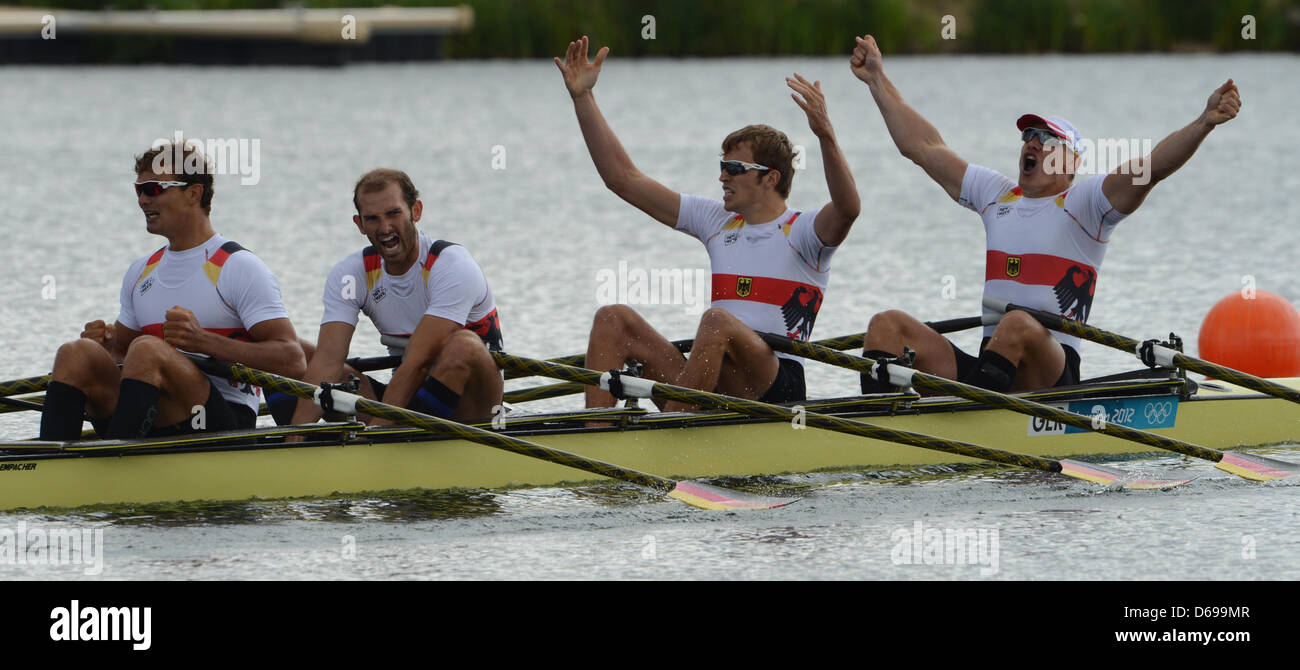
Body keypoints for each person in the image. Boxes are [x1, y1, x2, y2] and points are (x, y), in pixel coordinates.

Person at [849, 34, 1241, 393]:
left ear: (1071, 163)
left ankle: (985, 421)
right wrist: (877, 81)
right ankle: (877, 425)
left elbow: (1153, 166)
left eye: (1047, 138)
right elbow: (922, 147)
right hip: (994, 362)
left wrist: (1204, 122)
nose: (1031, 143)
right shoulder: (996, 194)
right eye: (1027, 136)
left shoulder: (1086, 204)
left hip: (1051, 372)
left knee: (1017, 323)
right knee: (887, 325)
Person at [556, 36, 861, 411]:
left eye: (734, 169)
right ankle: (597, 441)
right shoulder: (716, 220)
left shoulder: (804, 231)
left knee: (717, 320)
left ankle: (675, 430)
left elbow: (848, 208)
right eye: (721, 167)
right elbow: (623, 179)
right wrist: (583, 99)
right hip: (716, 376)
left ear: (771, 178)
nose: (722, 178)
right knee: (612, 318)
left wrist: (826, 136)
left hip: (776, 385)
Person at [39, 140, 305, 441]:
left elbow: (293, 360)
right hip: (153, 411)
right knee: (76, 352)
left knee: (148, 349)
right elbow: (122, 352)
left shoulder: (238, 266)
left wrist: (204, 341)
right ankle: (50, 461)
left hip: (221, 423)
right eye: (138, 190)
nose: (142, 200)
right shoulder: (141, 271)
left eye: (153, 189)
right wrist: (105, 345)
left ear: (193, 193)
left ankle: (112, 462)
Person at [285, 168, 503, 427]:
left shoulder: (451, 265)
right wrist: (295, 433)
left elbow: (419, 362)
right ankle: (294, 441)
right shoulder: (350, 274)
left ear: (416, 211)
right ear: (360, 224)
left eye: (393, 213)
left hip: (475, 401)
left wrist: (378, 432)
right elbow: (328, 361)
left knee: (462, 344)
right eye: (373, 219)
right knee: (297, 355)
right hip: (412, 396)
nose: (385, 228)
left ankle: (393, 439)